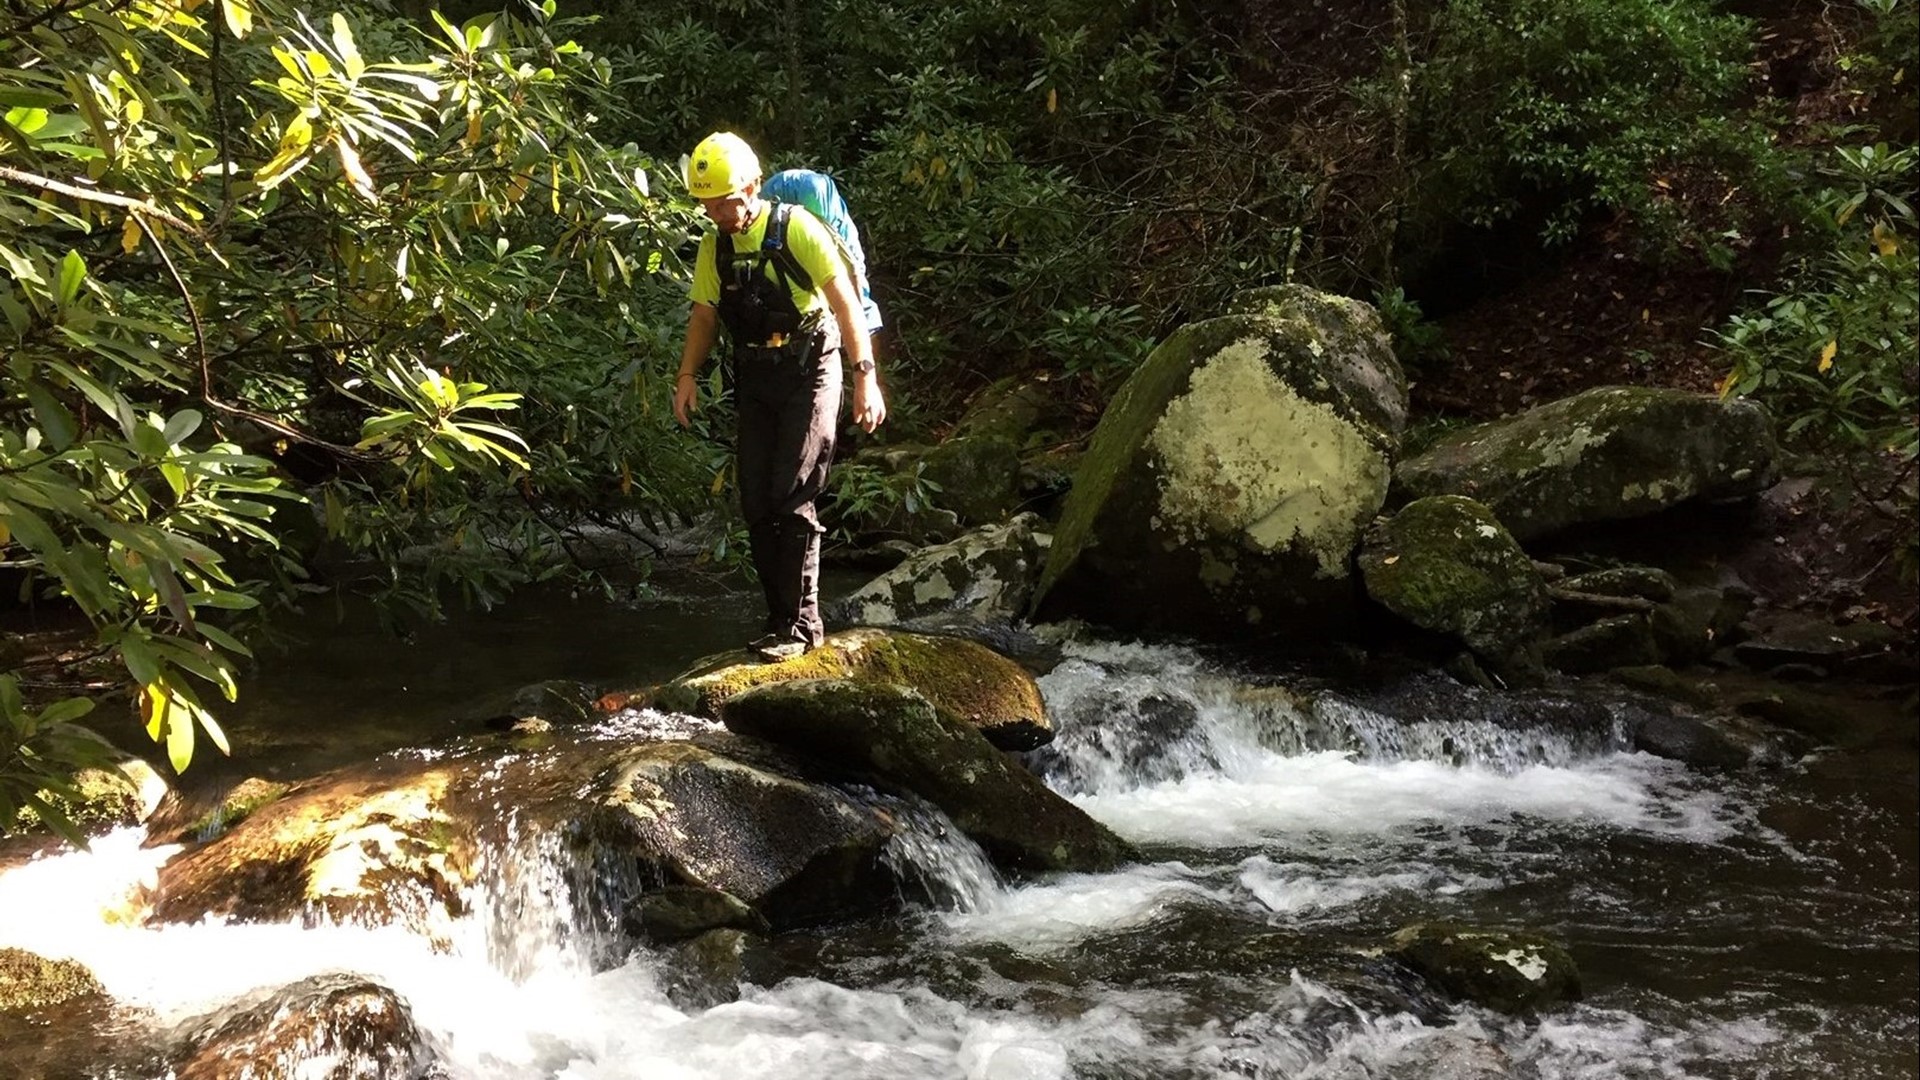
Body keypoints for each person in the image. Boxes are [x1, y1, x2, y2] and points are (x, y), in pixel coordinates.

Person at [672, 131, 886, 662]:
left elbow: (844, 304)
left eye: (725, 200)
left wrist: (865, 376)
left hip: (812, 365)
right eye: (707, 204)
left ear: (751, 185)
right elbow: (704, 313)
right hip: (757, 374)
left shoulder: (798, 229)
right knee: (755, 499)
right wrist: (686, 377)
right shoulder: (714, 245)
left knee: (794, 491)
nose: (717, 212)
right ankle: (777, 622)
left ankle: (803, 627)